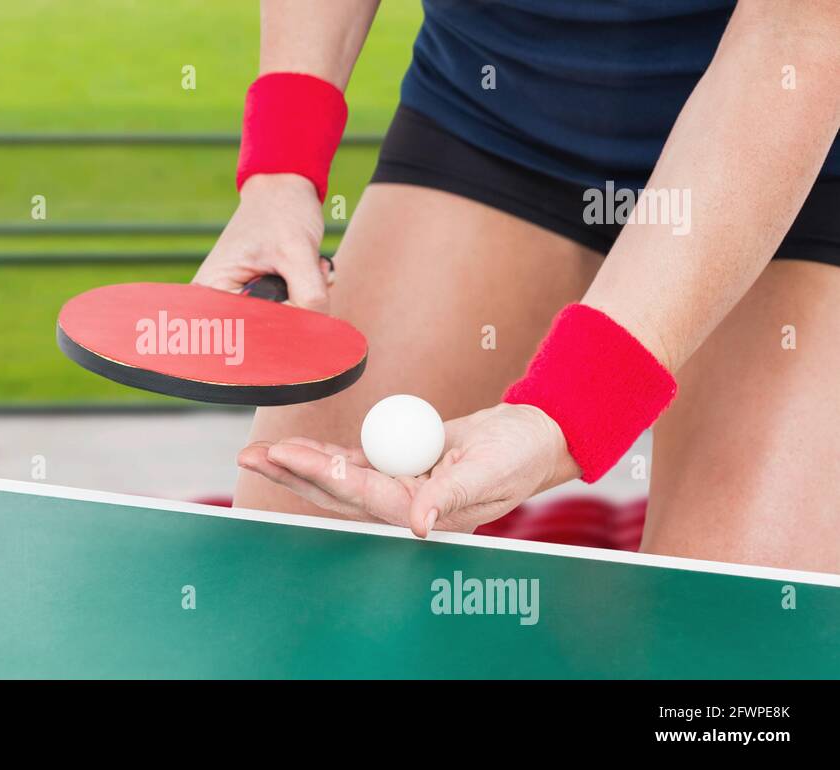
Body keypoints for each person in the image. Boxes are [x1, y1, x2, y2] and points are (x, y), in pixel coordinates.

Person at [196, 0, 840, 572]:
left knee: (745, 643)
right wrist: (281, 168)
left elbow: (800, 36)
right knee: (293, 566)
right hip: (495, 113)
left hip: (801, 159)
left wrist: (569, 411)